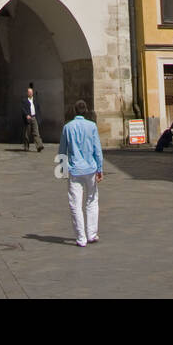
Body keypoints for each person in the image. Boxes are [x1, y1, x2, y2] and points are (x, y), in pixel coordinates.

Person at [58, 100, 103, 247]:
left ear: (74, 110)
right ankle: (92, 234)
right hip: (90, 168)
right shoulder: (92, 126)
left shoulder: (67, 127)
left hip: (74, 169)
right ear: (86, 111)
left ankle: (81, 237)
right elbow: (97, 149)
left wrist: (62, 170)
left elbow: (62, 150)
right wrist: (100, 168)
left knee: (75, 204)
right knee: (92, 200)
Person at [21, 85, 43, 151]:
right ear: (27, 93)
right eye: (29, 92)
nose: (30, 93)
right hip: (28, 119)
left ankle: (39, 146)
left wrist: (38, 117)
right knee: (27, 134)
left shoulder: (35, 100)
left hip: (34, 117)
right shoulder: (24, 101)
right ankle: (26, 147)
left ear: (32, 93)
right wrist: (26, 115)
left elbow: (38, 109)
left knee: (36, 133)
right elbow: (23, 109)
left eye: (31, 92)